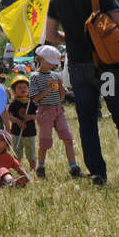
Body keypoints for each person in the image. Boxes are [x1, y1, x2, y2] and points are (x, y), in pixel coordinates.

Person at [42, 0, 119, 186]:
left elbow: (50, 35)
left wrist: (74, 39)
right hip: (105, 68)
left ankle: (98, 174)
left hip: (78, 68)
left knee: (87, 122)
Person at [28, 44, 80, 180]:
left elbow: (61, 97)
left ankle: (73, 166)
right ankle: (41, 166)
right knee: (45, 141)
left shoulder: (55, 76)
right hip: (45, 111)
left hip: (58, 110)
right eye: (50, 63)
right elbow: (35, 98)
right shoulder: (34, 76)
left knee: (67, 137)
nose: (52, 66)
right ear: (41, 59)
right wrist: (49, 89)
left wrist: (60, 87)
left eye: (54, 64)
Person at [5, 76, 38, 175]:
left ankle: (33, 170)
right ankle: (18, 170)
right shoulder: (14, 103)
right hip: (16, 132)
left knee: (31, 153)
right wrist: (17, 121)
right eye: (19, 88)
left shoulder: (32, 103)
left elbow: (38, 115)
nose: (23, 89)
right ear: (14, 91)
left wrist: (30, 117)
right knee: (17, 153)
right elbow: (9, 116)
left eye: (25, 87)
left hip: (30, 133)